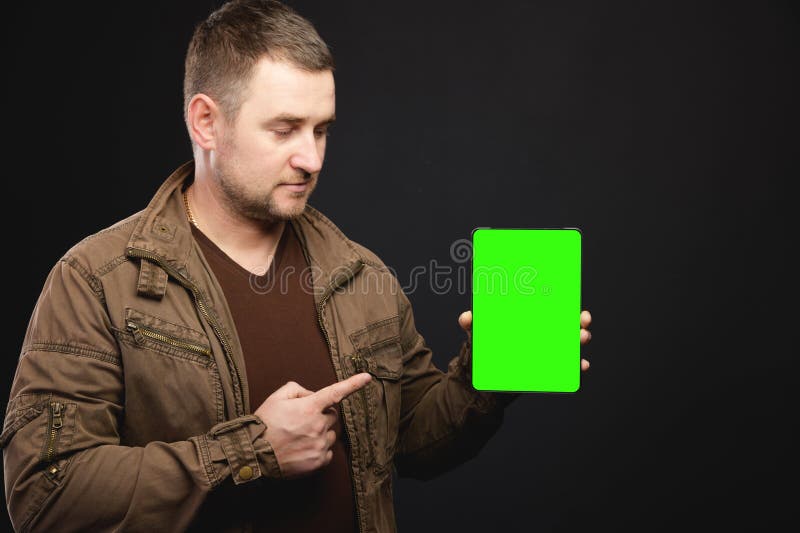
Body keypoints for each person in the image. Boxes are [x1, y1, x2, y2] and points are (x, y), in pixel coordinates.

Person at [1, 1, 593, 531]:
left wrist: (483, 380)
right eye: (284, 129)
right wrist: (250, 453)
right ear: (206, 121)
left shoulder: (362, 276)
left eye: (321, 130)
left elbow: (413, 443)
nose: (310, 158)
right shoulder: (96, 280)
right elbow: (45, 495)